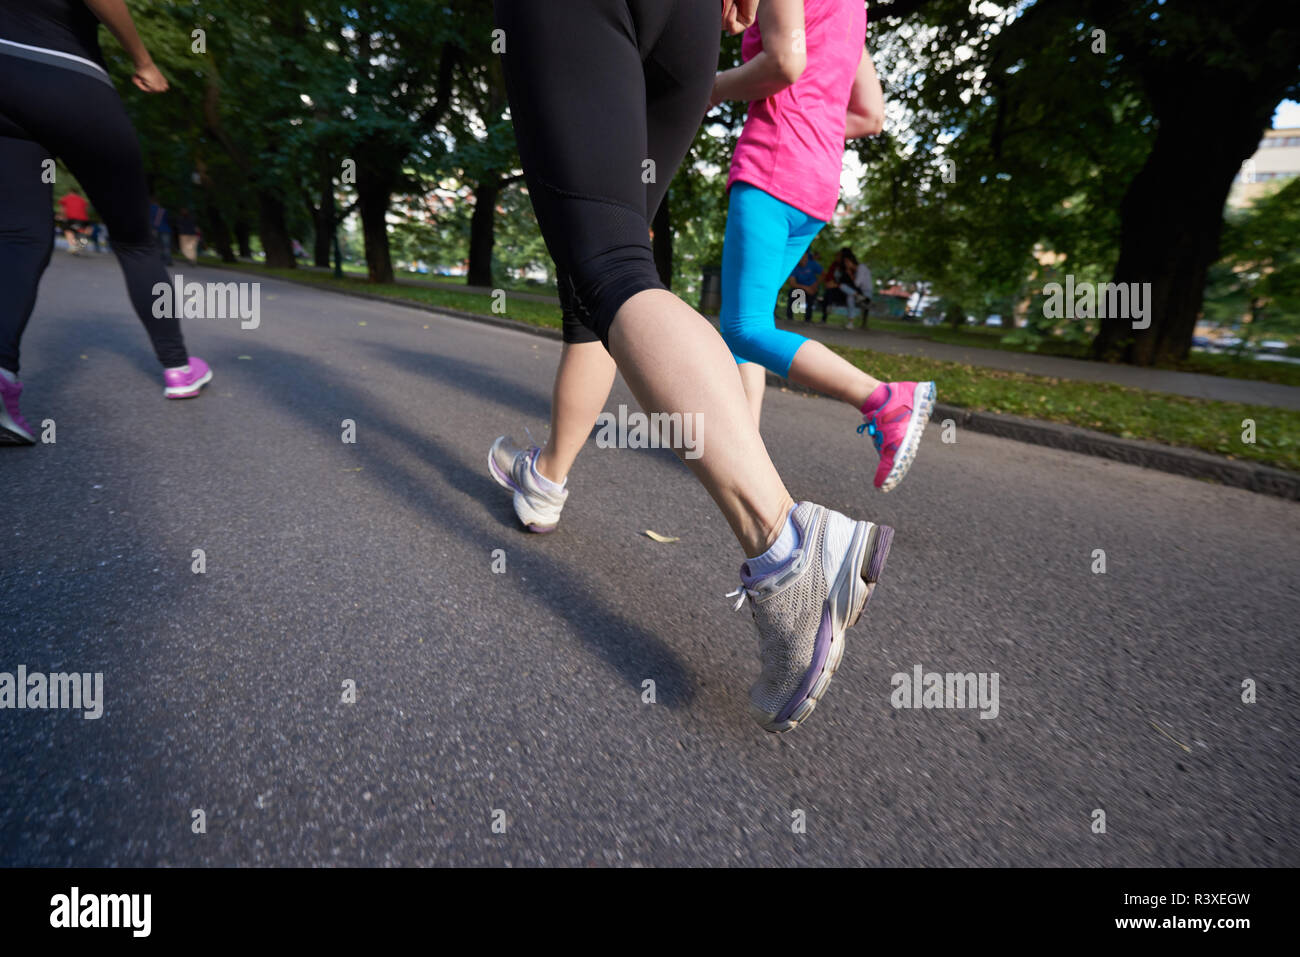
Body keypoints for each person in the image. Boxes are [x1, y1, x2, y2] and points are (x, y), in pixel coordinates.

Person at [489, 0, 895, 733]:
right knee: (608, 270)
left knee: (608, 267)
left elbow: (792, 61)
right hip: (689, 25)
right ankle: (546, 477)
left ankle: (790, 546)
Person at [710, 0, 935, 489]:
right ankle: (744, 457)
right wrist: (815, 124)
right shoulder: (852, 10)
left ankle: (884, 399)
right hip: (816, 185)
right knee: (749, 327)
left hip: (771, 166)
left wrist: (708, 90)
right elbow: (870, 115)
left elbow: (783, 65)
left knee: (744, 326)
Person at [0, 0, 212, 446]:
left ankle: (1, 375)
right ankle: (177, 367)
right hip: (66, 73)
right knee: (135, 240)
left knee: (20, 234)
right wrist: (144, 60)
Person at [786, 249, 821, 321]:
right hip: (800, 287)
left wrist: (815, 285)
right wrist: (805, 288)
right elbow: (792, 283)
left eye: (804, 257)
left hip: (812, 287)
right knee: (792, 292)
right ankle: (789, 317)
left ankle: (808, 319)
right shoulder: (795, 267)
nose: (802, 259)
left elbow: (823, 274)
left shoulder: (813, 264)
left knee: (811, 296)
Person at [57, 187, 91, 254]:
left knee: (68, 231)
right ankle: (81, 242)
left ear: (70, 192)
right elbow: (86, 209)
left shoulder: (67, 198)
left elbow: (63, 208)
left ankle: (72, 246)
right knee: (80, 231)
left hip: (71, 218)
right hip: (83, 219)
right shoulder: (82, 199)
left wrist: (61, 215)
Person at [148, 194, 172, 265]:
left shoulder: (149, 209)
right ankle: (168, 260)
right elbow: (167, 220)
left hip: (155, 230)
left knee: (157, 245)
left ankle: (159, 260)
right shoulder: (162, 210)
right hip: (165, 229)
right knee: (166, 246)